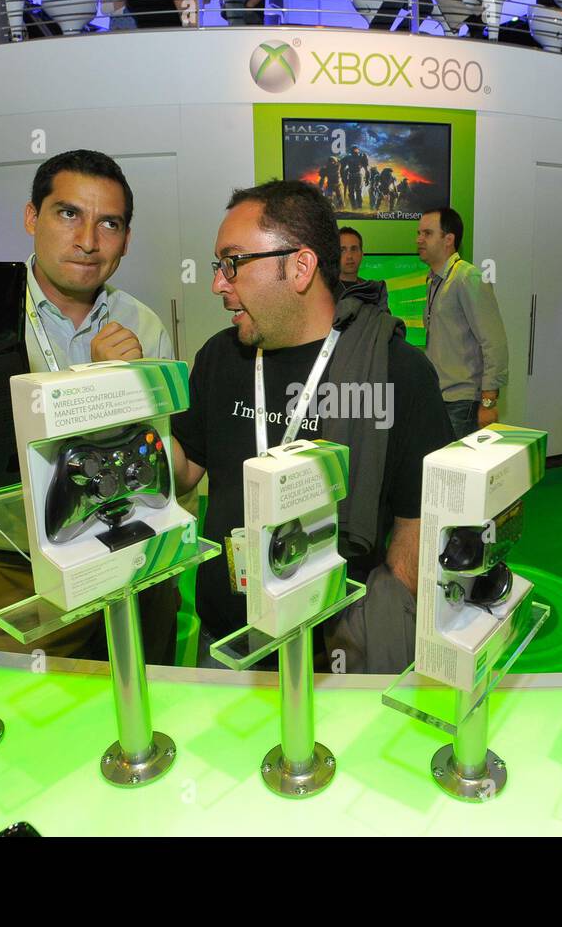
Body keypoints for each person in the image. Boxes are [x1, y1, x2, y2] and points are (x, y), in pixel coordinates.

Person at [0, 150, 178, 670]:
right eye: (68, 214)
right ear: (31, 217)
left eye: (108, 223)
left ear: (126, 239)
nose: (88, 241)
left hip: (137, 558)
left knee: (149, 704)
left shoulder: (144, 325)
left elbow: (162, 463)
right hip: (20, 568)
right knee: (37, 733)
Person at [166, 180, 452, 672]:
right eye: (218, 266)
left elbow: (417, 522)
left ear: (299, 267)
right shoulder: (220, 357)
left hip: (335, 651)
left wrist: (382, 628)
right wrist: (126, 413)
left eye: (232, 263)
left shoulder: (395, 371)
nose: (218, 283)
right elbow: (185, 467)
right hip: (224, 640)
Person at [417, 207, 509, 441]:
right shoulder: (433, 280)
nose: (419, 239)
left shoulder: (468, 278)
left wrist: (488, 402)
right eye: (418, 233)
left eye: (427, 233)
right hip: (439, 398)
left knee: (456, 473)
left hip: (463, 402)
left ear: (449, 239)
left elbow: (494, 342)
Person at [338, 226, 390, 313]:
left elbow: (385, 323)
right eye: (342, 250)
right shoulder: (325, 291)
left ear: (362, 254)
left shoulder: (373, 291)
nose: (349, 256)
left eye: (354, 249)